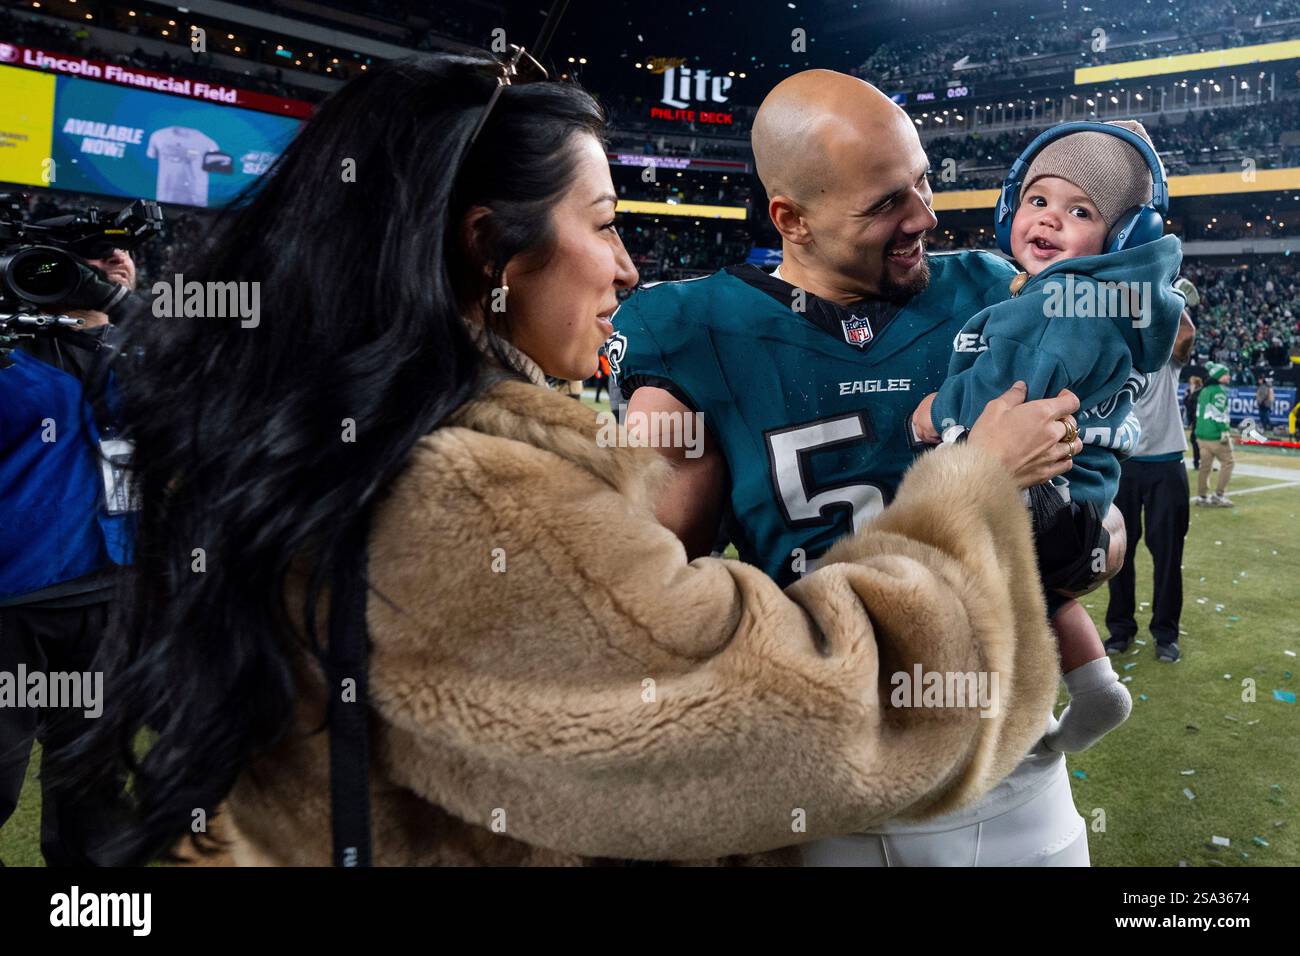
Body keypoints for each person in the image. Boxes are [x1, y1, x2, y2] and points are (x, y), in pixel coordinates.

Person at [58, 53, 1071, 867]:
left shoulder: (349, 440)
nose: (628, 265)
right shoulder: (466, 496)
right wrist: (972, 490)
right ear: (491, 251)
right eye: (603, 224)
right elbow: (837, 716)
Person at [611, 70, 1118, 866]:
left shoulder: (995, 295)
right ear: (792, 219)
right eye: (886, 202)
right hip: (841, 789)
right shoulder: (695, 332)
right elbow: (657, 605)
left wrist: (1073, 532)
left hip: (1018, 775)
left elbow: (1102, 535)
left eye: (921, 180)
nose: (923, 215)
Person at [912, 119, 1183, 746]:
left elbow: (1009, 397)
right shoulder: (1109, 301)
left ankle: (973, 711)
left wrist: (935, 410)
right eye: (1037, 200)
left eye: (1080, 210)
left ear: (1119, 236)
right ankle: (1095, 687)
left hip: (1045, 484)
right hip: (1086, 493)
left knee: (963, 576)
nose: (1049, 219)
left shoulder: (1053, 306)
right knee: (1041, 590)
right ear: (1012, 204)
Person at [0, 245, 139, 865]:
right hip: (14, 600)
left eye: (119, 254)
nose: (109, 266)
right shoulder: (11, 356)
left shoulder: (143, 355)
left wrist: (123, 309)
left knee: (90, 777)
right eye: (87, 259)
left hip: (105, 592)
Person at [1104, 279, 1198, 664]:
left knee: (1167, 555)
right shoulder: (1114, 356)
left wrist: (1168, 292)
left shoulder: (1166, 356)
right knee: (1118, 554)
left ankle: (1165, 633)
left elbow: (1187, 332)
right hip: (1123, 465)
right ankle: (1121, 629)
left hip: (1166, 465)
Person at [1195, 362, 1235, 506]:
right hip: (1215, 436)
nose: (1229, 376)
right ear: (1219, 376)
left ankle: (1202, 496)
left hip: (1201, 435)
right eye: (1226, 374)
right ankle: (1219, 495)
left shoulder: (1204, 390)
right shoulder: (1218, 391)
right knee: (1228, 463)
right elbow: (1219, 415)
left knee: (1205, 466)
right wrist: (1224, 431)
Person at [1184, 375, 1203, 469]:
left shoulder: (1200, 393)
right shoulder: (1191, 393)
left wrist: (1191, 395)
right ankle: (1198, 461)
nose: (1189, 385)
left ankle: (1199, 462)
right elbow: (1187, 405)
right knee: (1195, 440)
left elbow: (1193, 405)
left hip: (1200, 420)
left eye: (1191, 383)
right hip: (1195, 420)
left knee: (1197, 440)